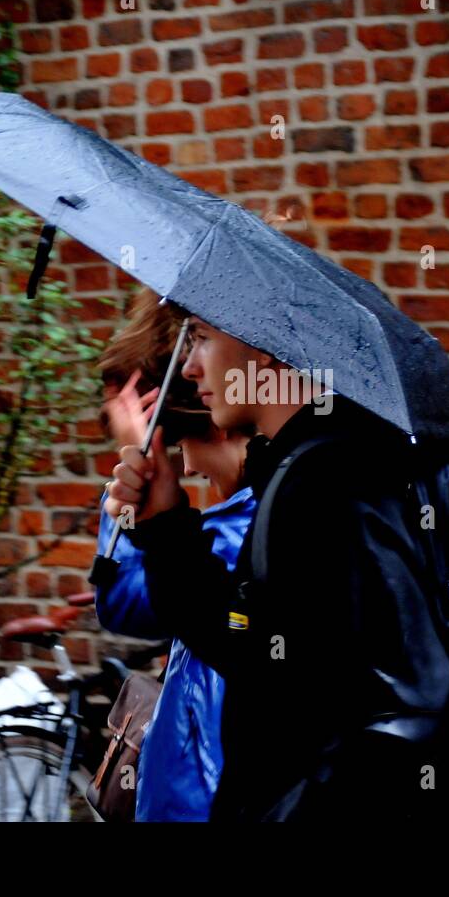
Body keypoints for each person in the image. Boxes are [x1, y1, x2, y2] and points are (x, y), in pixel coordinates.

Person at [103, 310, 449, 822]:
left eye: (203, 339)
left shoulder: (327, 483)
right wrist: (165, 526)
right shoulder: (308, 468)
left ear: (263, 349)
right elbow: (251, 644)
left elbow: (330, 703)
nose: (188, 367)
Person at [94, 290, 255, 821]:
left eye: (182, 446)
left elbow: (125, 605)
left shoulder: (242, 531)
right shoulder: (243, 519)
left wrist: (136, 499)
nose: (185, 467)